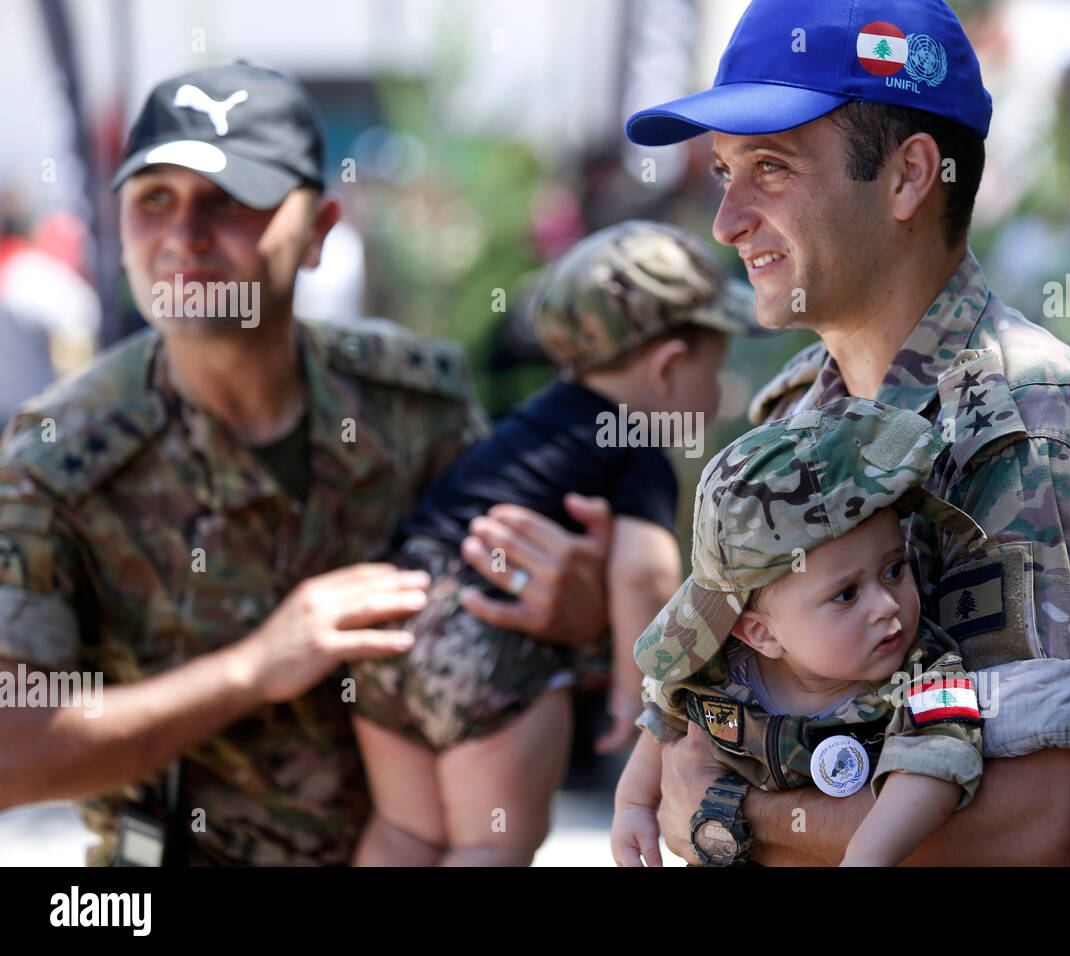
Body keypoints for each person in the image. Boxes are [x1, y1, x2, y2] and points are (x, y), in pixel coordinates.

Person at [621, 0, 1070, 865]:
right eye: (724, 172)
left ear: (908, 177)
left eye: (770, 168)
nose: (727, 219)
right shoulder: (795, 414)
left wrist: (734, 817)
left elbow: (1043, 823)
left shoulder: (1039, 437)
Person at [0, 61, 608, 866]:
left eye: (230, 199)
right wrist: (251, 670)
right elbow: (11, 754)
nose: (185, 235)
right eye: (155, 199)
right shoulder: (59, 456)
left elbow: (514, 632)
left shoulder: (413, 402)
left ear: (321, 229)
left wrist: (582, 614)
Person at [347, 220, 756, 865]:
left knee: (408, 832)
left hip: (391, 626)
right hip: (486, 647)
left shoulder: (528, 424)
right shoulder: (639, 449)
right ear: (670, 367)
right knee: (492, 840)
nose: (721, 390)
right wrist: (637, 695)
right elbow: (643, 577)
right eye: (716, 368)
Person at [613, 397, 987, 867]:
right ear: (762, 634)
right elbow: (665, 717)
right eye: (846, 594)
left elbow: (936, 764)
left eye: (894, 569)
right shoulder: (718, 667)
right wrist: (633, 805)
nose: (887, 604)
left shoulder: (924, 672)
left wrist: (869, 854)